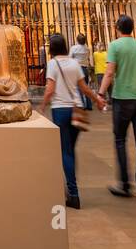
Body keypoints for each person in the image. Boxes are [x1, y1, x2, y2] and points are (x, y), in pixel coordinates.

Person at [41, 33, 105, 210]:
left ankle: (73, 193)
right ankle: (71, 182)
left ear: (52, 49)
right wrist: (97, 99)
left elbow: (50, 88)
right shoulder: (75, 63)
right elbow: (84, 88)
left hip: (61, 110)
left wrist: (43, 106)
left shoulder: (53, 64)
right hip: (77, 109)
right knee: (70, 149)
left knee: (66, 151)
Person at [98, 15, 136, 201]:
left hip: (122, 99)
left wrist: (100, 94)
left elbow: (109, 72)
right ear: (132, 28)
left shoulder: (115, 46)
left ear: (117, 28)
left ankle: (124, 184)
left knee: (120, 140)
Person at [69, 33, 93, 110]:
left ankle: (82, 104)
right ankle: (89, 105)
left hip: (77, 69)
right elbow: (88, 57)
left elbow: (69, 58)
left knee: (78, 87)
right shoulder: (87, 48)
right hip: (85, 69)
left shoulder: (74, 48)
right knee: (86, 87)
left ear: (77, 40)